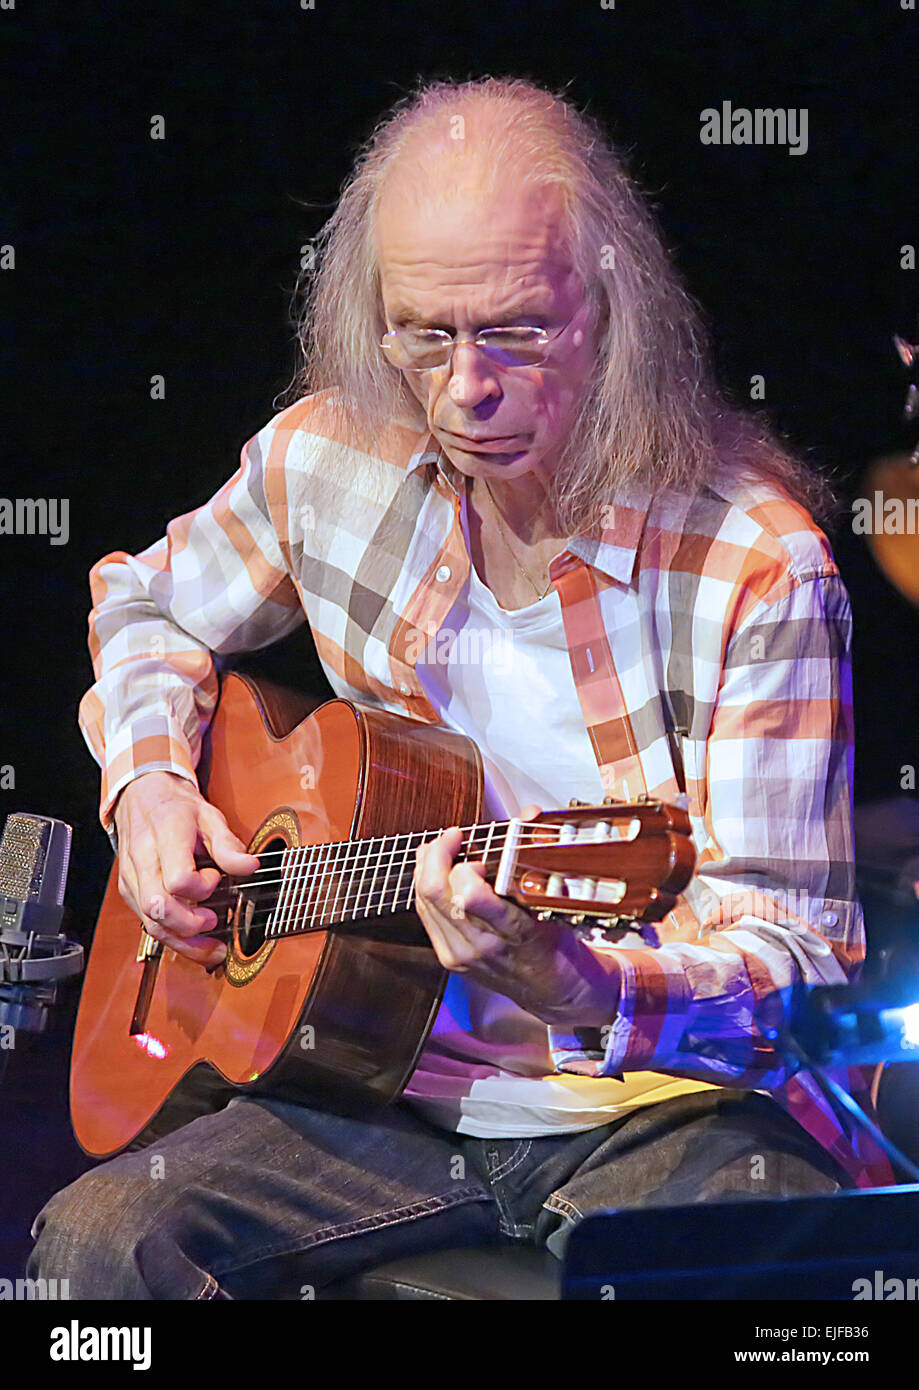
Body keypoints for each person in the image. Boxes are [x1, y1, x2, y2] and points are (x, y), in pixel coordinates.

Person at [29, 75, 894, 1300]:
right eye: (423, 334)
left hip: (655, 1107)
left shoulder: (757, 566)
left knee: (767, 1284)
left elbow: (791, 961)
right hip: (371, 1083)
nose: (464, 389)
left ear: (608, 306)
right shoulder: (327, 456)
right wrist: (153, 782)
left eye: (514, 332)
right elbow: (146, 602)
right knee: (93, 1254)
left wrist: (580, 982)